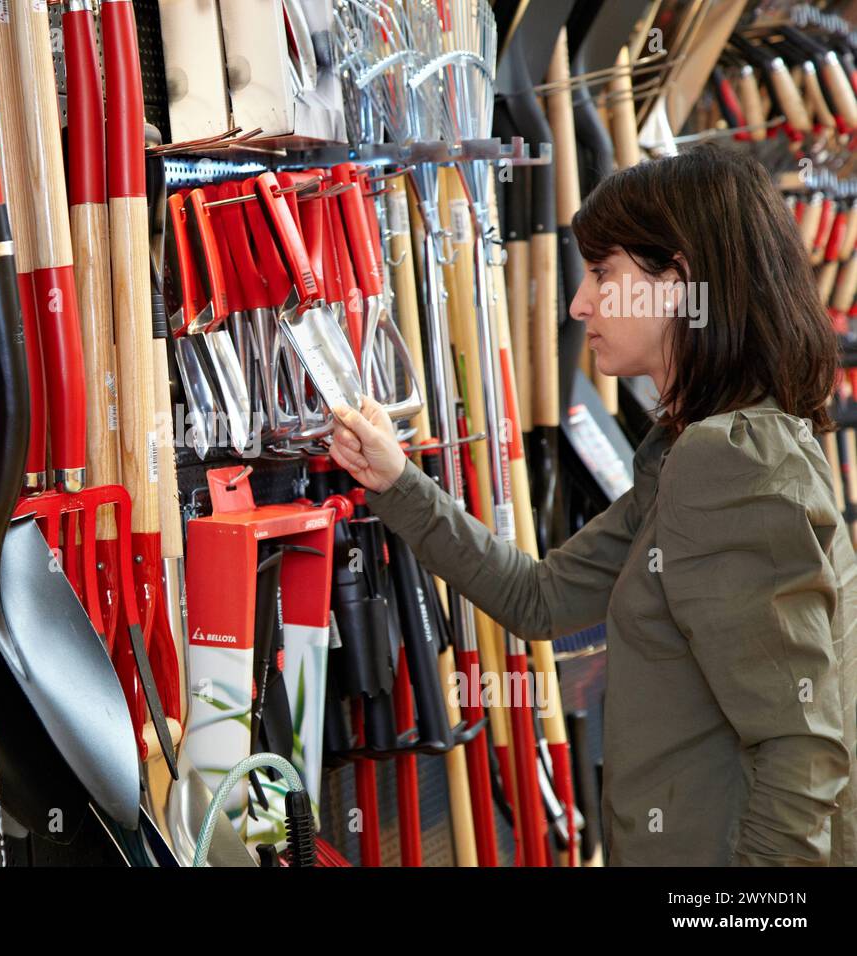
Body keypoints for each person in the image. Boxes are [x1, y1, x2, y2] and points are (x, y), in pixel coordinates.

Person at [330, 144, 856, 866]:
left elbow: (801, 747)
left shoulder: (730, 463)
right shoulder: (698, 451)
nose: (579, 303)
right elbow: (539, 598)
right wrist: (398, 484)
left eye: (604, 274)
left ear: (676, 282)